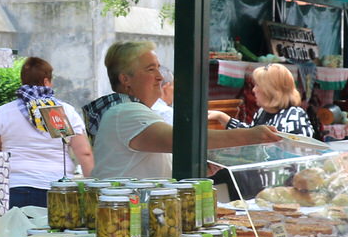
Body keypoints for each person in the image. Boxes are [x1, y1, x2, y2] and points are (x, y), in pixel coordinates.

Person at [82, 41, 278, 179]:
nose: (160, 77)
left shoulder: (130, 111)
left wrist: (198, 168)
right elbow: (183, 140)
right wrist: (252, 136)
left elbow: (154, 164)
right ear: (126, 79)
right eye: (150, 69)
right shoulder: (124, 112)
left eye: (159, 68)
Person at [0, 56, 93, 207]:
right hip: (57, 188)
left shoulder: (4, 112)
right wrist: (93, 192)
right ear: (46, 81)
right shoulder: (66, 111)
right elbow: (84, 153)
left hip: (14, 188)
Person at [248, 63, 316, 138]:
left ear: (270, 90)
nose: (254, 90)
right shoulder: (261, 112)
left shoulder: (293, 115)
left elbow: (300, 147)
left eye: (257, 85)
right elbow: (250, 135)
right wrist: (232, 122)